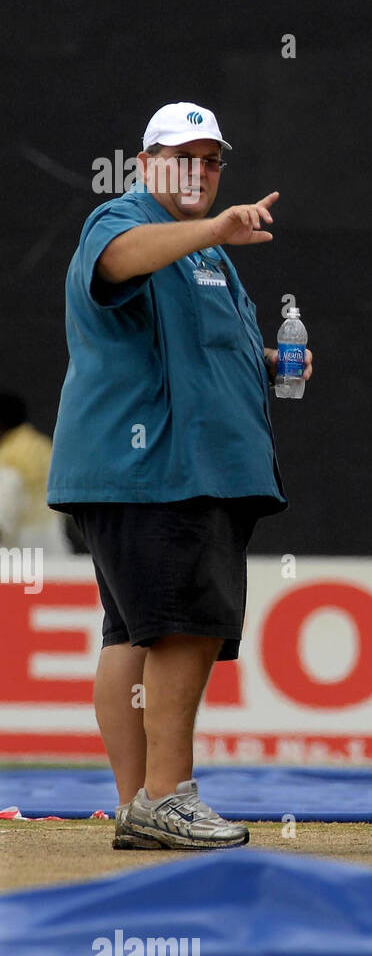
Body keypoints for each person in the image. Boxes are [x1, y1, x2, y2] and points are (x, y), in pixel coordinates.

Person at [47, 102, 313, 852]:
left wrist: (266, 362)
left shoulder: (207, 254)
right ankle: (167, 795)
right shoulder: (124, 219)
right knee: (183, 629)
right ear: (145, 163)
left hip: (158, 472)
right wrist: (215, 226)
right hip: (157, 469)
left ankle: (139, 804)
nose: (199, 171)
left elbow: (197, 342)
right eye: (182, 157)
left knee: (133, 635)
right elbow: (120, 261)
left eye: (211, 159)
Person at [0, 393, 69, 552]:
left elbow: (5, 510)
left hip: (25, 547)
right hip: (56, 539)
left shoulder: (9, 456)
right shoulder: (42, 445)